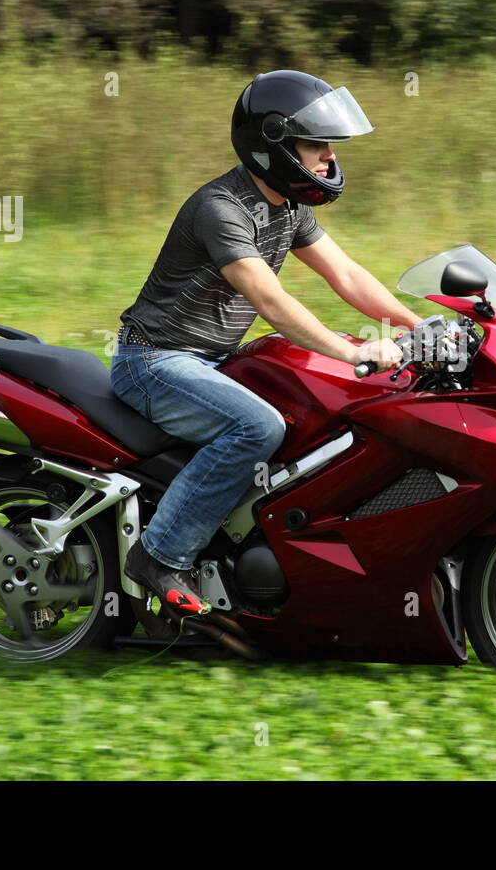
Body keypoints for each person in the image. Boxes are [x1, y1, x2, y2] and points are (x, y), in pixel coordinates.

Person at [110, 69, 421, 617]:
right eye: (317, 145)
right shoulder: (221, 208)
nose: (329, 157)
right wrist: (353, 352)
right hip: (156, 359)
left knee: (319, 409)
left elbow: (346, 275)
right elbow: (270, 301)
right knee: (257, 427)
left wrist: (417, 326)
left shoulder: (288, 206)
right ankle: (158, 556)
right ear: (274, 145)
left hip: (214, 359)